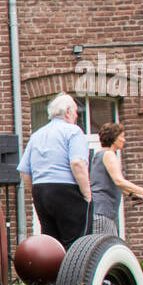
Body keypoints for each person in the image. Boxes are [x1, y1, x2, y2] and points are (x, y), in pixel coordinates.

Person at [17, 92, 90, 250]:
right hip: (67, 191)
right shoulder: (73, 131)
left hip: (41, 192)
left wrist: (36, 190)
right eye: (75, 111)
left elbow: (24, 171)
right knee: (76, 244)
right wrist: (87, 194)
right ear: (68, 112)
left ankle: (52, 275)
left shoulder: (37, 135)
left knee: (51, 243)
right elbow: (77, 163)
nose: (77, 115)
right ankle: (73, 275)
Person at [88, 122, 143, 236]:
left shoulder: (99, 154)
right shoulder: (109, 154)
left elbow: (114, 184)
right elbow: (119, 181)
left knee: (110, 247)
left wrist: (135, 194)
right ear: (114, 138)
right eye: (122, 137)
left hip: (101, 211)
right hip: (103, 211)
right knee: (106, 249)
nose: (124, 140)